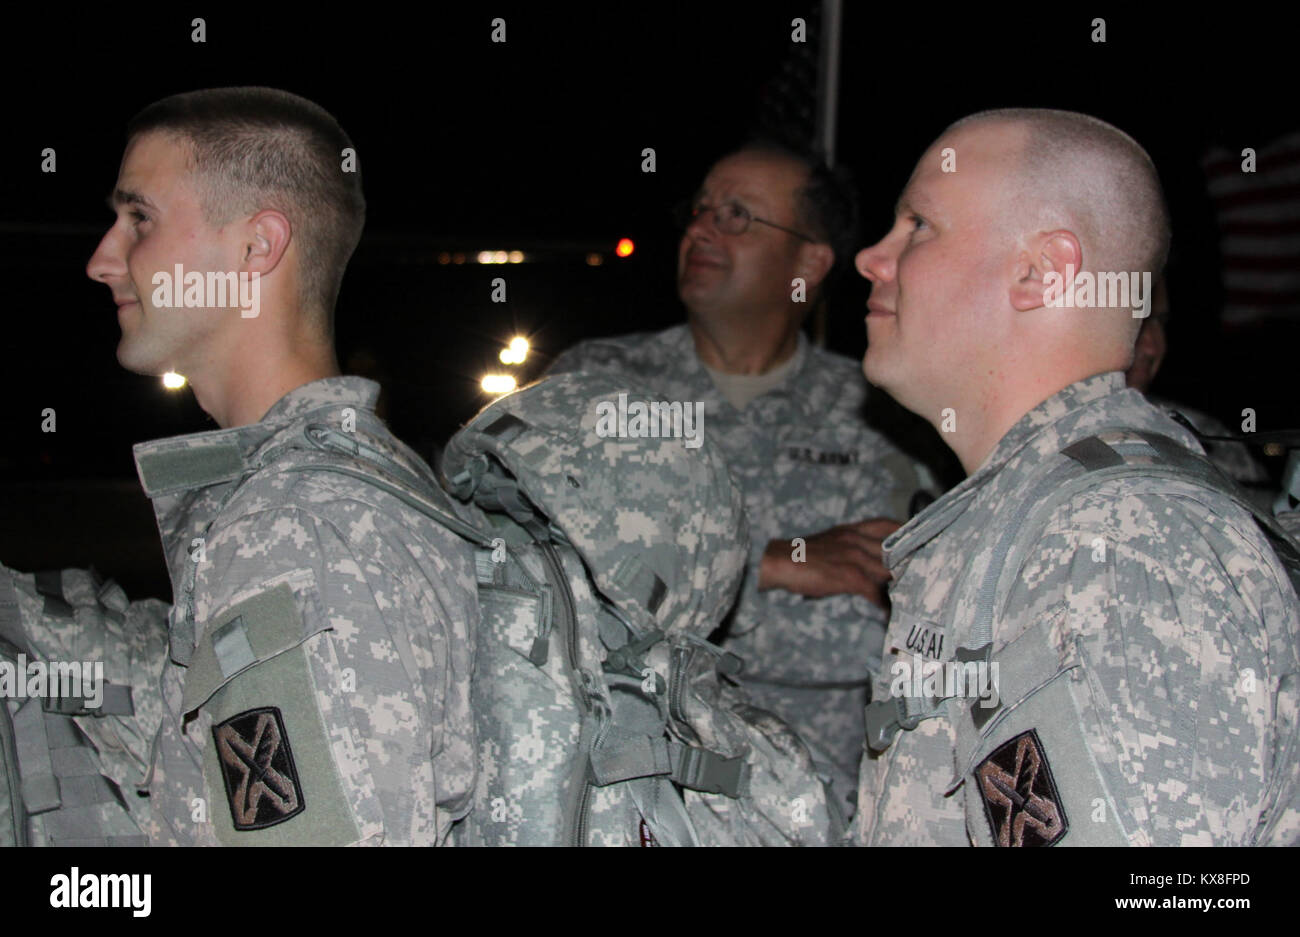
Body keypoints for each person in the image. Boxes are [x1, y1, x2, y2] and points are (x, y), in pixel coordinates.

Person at [852, 108, 1299, 846]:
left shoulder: (1114, 546)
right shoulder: (1043, 519)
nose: (872, 256)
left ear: (1042, 270)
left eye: (918, 226)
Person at [68, 86, 479, 845]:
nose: (102, 259)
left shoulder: (297, 528)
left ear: (257, 247)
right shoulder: (349, 480)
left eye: (139, 219)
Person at [549, 141, 937, 818]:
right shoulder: (592, 387)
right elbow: (548, 591)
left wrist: (663, 589)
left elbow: (869, 634)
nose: (700, 229)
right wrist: (771, 564)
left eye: (736, 215)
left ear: (810, 261)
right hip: (626, 805)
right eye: (699, 210)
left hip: (816, 814)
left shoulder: (878, 417)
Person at [1126, 278, 1274, 508]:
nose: (1152, 346)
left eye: (1160, 322)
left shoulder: (1206, 437)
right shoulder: (1059, 435)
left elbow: (1267, 526)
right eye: (1136, 322)